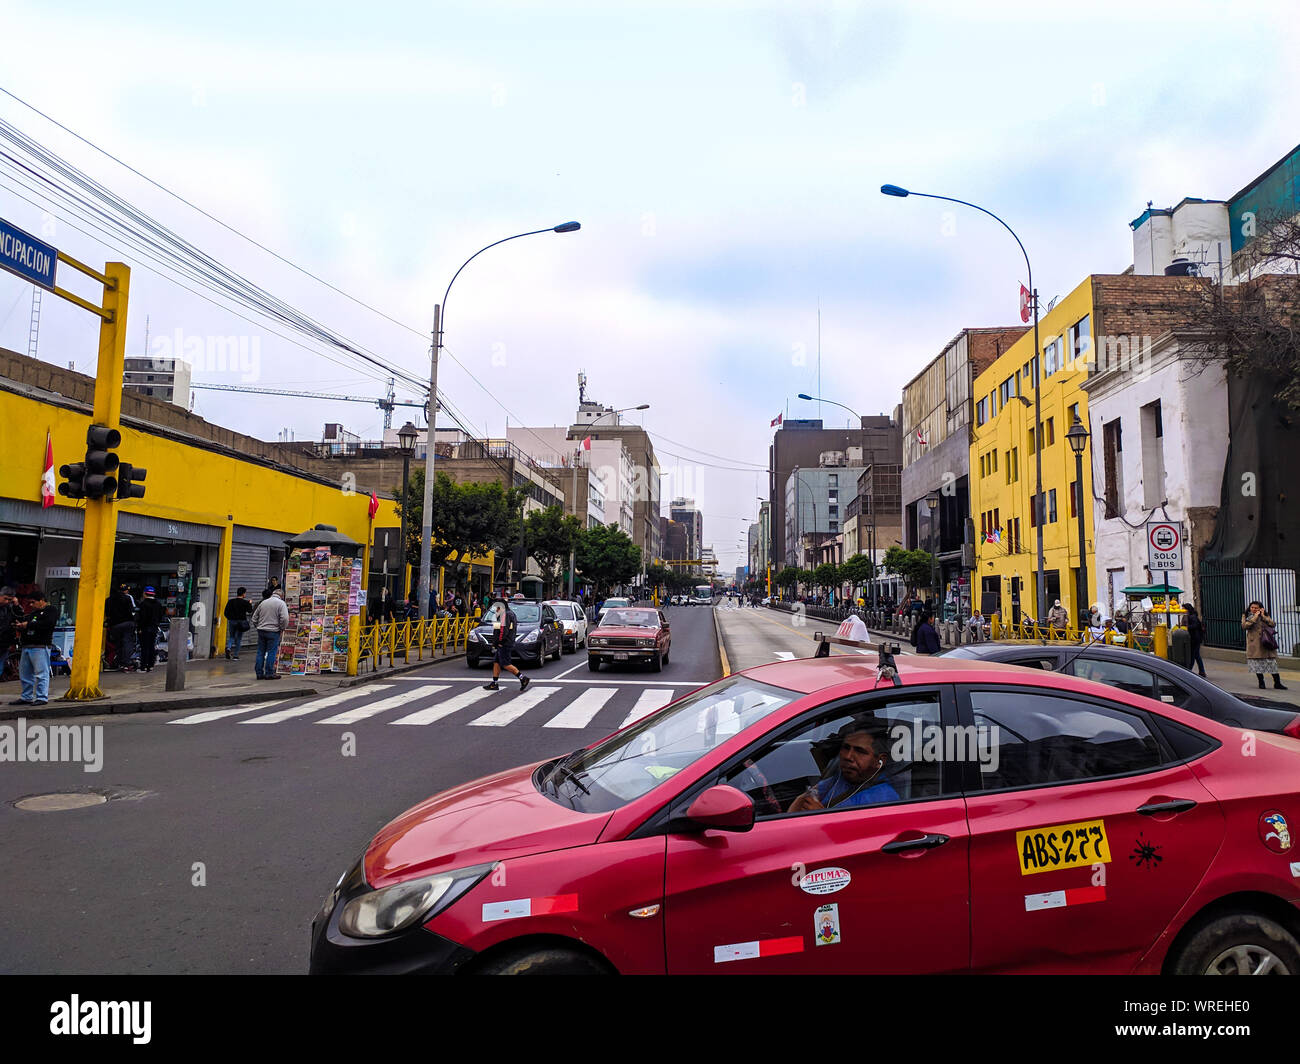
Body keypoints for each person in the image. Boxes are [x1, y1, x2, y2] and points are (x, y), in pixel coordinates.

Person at [788, 723, 899, 812]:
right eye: (846, 748)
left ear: (880, 761)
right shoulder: (842, 778)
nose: (848, 756)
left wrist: (821, 817)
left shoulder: (884, 799)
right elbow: (803, 798)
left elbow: (861, 838)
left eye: (860, 751)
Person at [10, 586, 57, 706]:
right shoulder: (33, 613)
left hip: (40, 646)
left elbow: (48, 623)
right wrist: (21, 626)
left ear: (41, 600)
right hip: (27, 645)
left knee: (41, 673)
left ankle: (42, 697)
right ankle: (26, 696)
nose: (31, 605)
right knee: (25, 673)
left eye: (33, 602)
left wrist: (29, 624)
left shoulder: (50, 610)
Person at [483, 598, 530, 693]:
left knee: (505, 664)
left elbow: (503, 631)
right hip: (505, 642)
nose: (495, 609)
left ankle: (523, 678)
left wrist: (498, 642)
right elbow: (497, 629)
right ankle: (494, 683)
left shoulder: (505, 615)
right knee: (496, 662)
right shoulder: (505, 614)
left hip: (504, 643)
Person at [1243, 600, 1286, 690]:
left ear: (1260, 608)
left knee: (1272, 664)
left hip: (1266, 642)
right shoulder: (1246, 615)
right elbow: (1245, 626)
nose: (1254, 609)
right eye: (1252, 607)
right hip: (1255, 644)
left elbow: (1273, 624)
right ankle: (1261, 683)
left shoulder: (1264, 615)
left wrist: (1263, 616)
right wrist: (1254, 617)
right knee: (1258, 665)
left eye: (1256, 608)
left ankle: (1277, 683)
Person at [252, 588, 289, 680]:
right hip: (273, 631)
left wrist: (258, 626)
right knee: (271, 652)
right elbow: (284, 618)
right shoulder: (281, 604)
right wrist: (282, 628)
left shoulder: (263, 603)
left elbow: (254, 618)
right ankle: (269, 673)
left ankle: (259, 673)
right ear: (281, 596)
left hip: (261, 630)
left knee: (260, 652)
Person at [104, 584, 137, 670]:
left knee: (118, 643)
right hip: (127, 623)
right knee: (127, 642)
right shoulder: (127, 598)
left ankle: (117, 661)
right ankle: (126, 662)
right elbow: (132, 610)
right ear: (125, 591)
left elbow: (107, 613)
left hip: (115, 625)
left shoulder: (108, 600)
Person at [136, 587, 166, 672]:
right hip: (154, 628)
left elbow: (142, 618)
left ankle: (143, 666)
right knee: (151, 646)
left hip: (145, 628)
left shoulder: (143, 604)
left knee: (144, 647)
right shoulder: (158, 604)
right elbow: (160, 616)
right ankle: (151, 665)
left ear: (145, 593)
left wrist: (139, 628)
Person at [223, 586, 254, 660]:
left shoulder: (231, 601)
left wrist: (230, 618)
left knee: (232, 636)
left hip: (232, 621)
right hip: (241, 622)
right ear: (243, 594)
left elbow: (225, 612)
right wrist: (249, 603)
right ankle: (235, 656)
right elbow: (250, 611)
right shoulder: (245, 602)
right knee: (239, 638)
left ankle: (228, 647)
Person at [1183, 604, 1207, 678]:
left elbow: (1195, 625)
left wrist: (1187, 627)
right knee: (1196, 655)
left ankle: (1189, 670)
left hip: (1195, 639)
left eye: (1184, 609)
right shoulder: (1191, 616)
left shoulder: (1192, 617)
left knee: (1193, 655)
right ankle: (1201, 671)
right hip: (1196, 638)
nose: (1183, 610)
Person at [0, 586, 19, 682]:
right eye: (5, 599)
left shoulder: (9, 608)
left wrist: (16, 605)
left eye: (9, 600)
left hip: (4, 642)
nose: (7, 601)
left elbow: (20, 617)